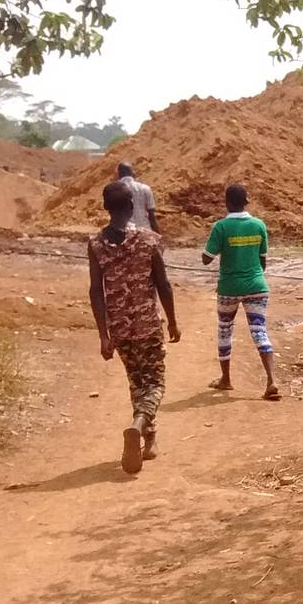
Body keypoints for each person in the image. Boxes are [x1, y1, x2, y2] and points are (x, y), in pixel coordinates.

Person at [87, 180, 181, 474]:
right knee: (155, 383)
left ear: (105, 207)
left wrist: (104, 335)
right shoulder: (149, 240)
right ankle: (139, 424)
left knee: (137, 382)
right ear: (131, 207)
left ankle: (148, 441)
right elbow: (163, 284)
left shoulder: (96, 245)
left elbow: (96, 292)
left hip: (120, 329)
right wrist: (173, 321)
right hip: (148, 326)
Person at [202, 183, 279, 400]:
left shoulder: (220, 227)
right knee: (259, 330)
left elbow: (206, 258)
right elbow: (262, 262)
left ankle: (226, 379)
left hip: (229, 288)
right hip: (257, 285)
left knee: (225, 330)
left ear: (226, 203)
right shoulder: (259, 225)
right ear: (246, 202)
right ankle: (271, 380)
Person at [115, 162, 159, 233]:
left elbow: (116, 217)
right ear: (132, 173)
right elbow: (151, 216)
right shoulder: (145, 188)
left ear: (119, 174)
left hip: (127, 234)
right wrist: (157, 234)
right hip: (146, 232)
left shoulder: (116, 190)